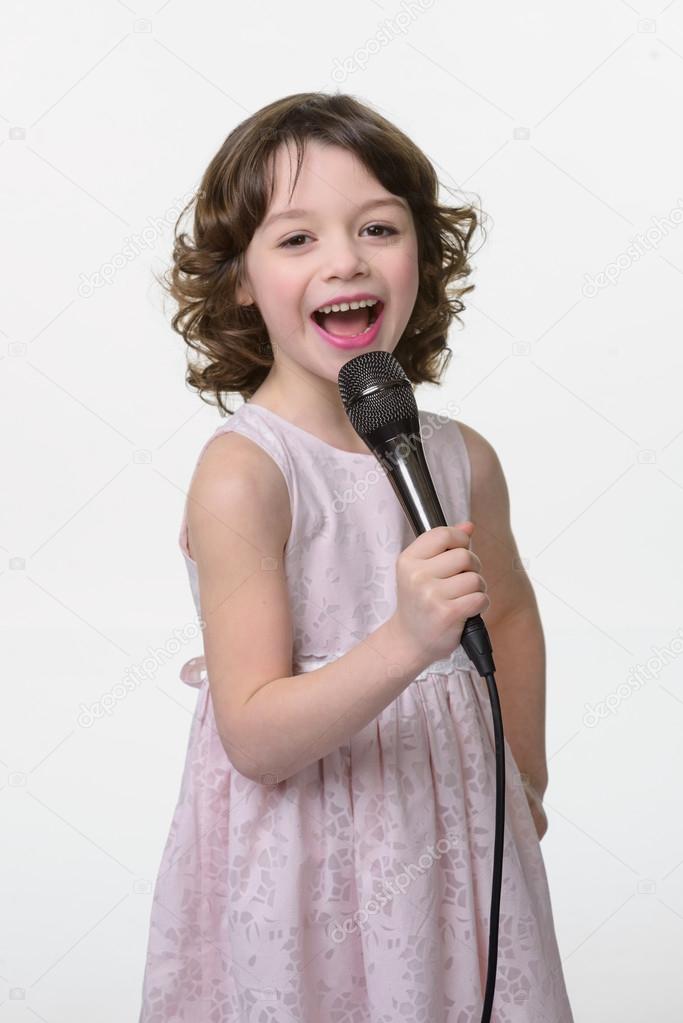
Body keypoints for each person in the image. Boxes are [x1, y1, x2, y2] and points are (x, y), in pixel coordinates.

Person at [138, 92, 574, 1021]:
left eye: (377, 226)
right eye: (296, 239)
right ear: (241, 281)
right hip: (309, 863)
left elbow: (510, 612)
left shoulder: (461, 457)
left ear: (423, 250)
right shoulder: (246, 475)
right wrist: (405, 640)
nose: (345, 259)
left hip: (454, 843)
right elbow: (253, 736)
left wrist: (524, 775)